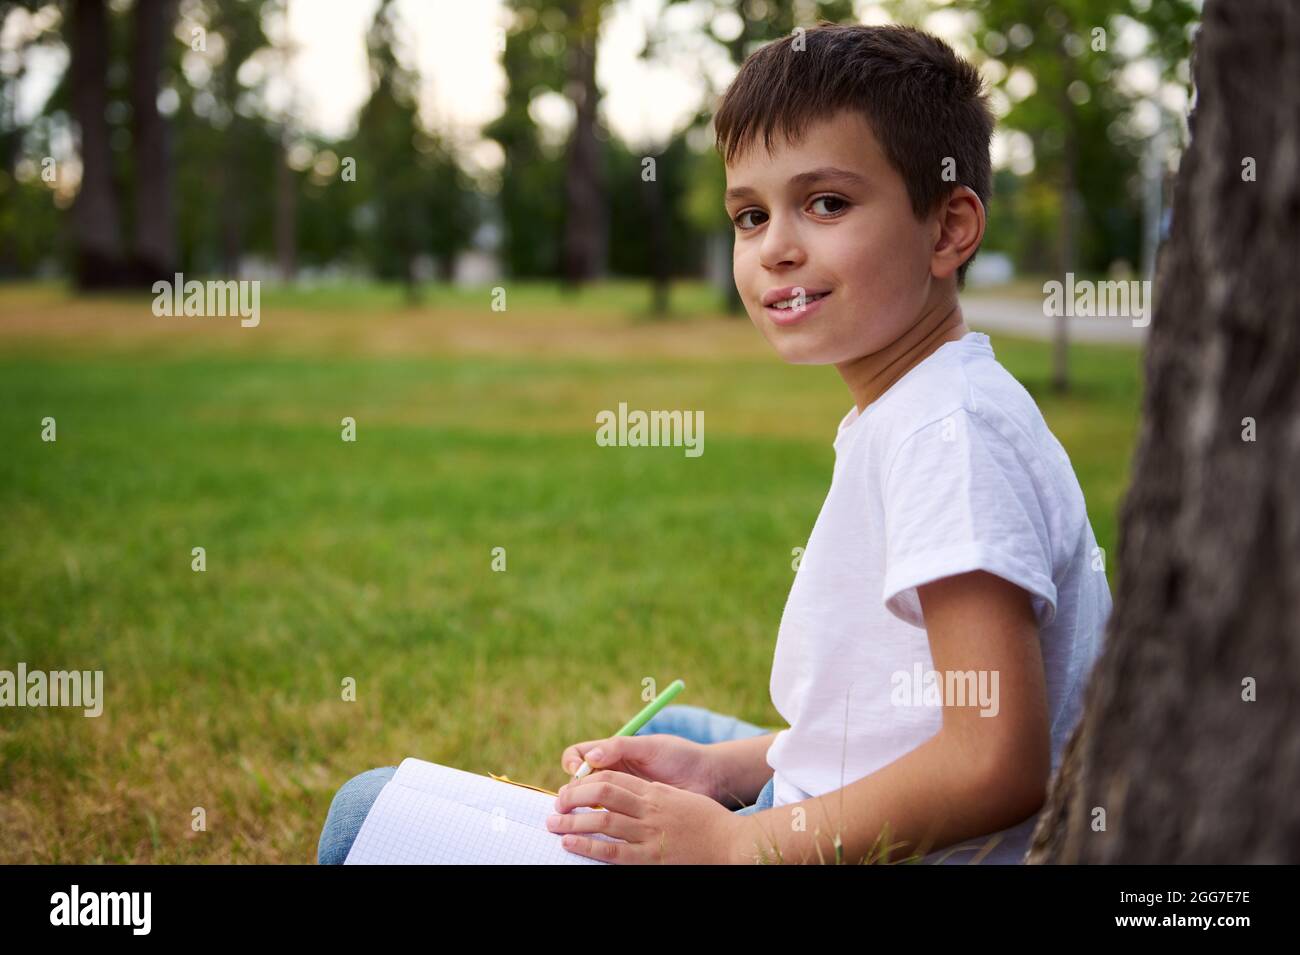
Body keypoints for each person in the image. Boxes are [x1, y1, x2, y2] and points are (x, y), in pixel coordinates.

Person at [319, 22, 1111, 865]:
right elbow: (883, 721)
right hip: (817, 817)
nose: (775, 246)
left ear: (950, 228)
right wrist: (712, 771)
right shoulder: (932, 402)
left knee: (362, 812)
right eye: (750, 214)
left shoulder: (946, 434)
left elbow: (997, 763)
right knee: (676, 733)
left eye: (827, 203)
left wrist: (739, 841)